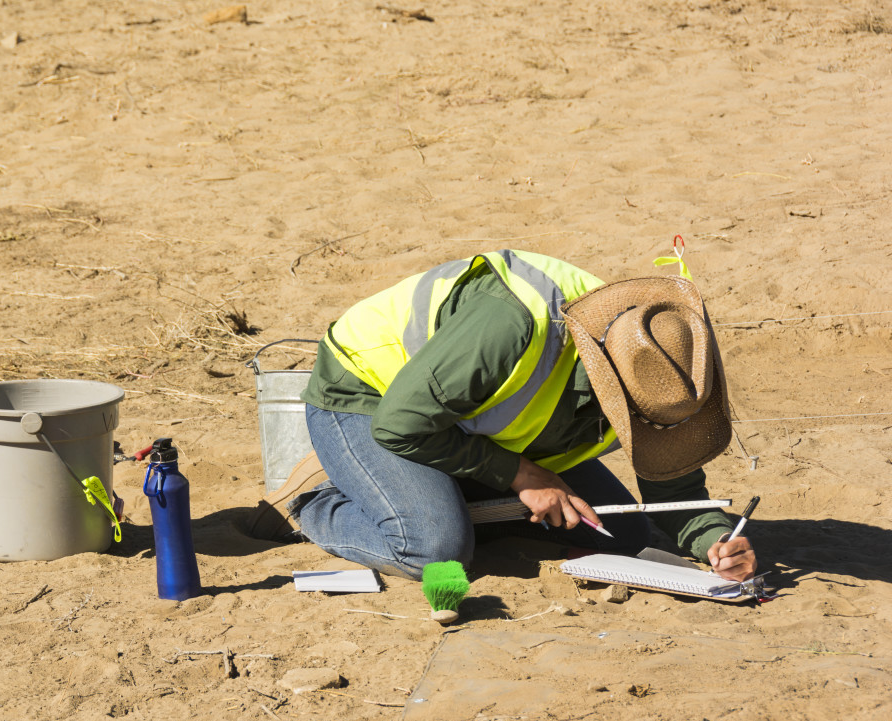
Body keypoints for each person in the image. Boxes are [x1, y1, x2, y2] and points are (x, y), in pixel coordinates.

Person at [252, 250, 757, 583]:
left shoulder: (666, 366)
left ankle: (433, 491)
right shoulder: (513, 325)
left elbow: (674, 487)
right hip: (370, 399)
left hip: (464, 424)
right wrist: (521, 475)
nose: (646, 434)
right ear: (601, 377)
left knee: (623, 536)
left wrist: (717, 542)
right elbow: (399, 424)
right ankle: (314, 501)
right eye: (637, 423)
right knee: (435, 551)